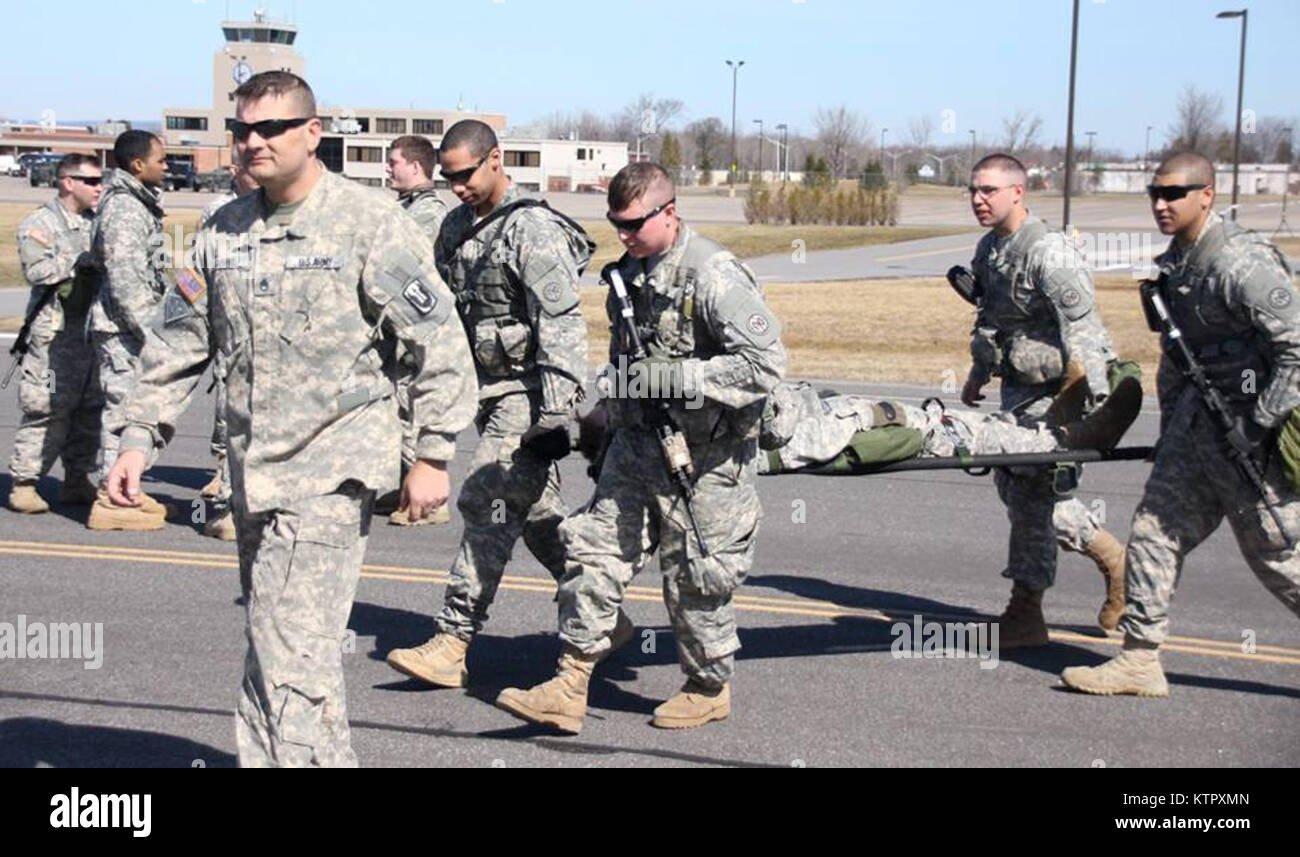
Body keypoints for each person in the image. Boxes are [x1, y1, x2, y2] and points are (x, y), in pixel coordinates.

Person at [102, 71, 478, 766]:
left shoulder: (367, 223)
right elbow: (179, 340)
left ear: (313, 133)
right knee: (278, 650)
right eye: (241, 129)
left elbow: (439, 339)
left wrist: (433, 452)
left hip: (330, 477)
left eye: (270, 129)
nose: (251, 142)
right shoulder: (223, 232)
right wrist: (136, 437)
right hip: (252, 477)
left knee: (291, 653)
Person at [494, 161, 787, 733]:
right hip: (636, 446)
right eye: (616, 225)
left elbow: (765, 365)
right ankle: (570, 682)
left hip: (706, 460)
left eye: (634, 224)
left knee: (697, 579)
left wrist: (679, 378)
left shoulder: (714, 275)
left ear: (670, 212)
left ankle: (707, 685)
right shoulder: (627, 277)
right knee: (591, 553)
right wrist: (602, 418)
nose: (624, 236)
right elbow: (627, 364)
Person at [1062, 152, 1300, 697]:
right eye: (1155, 193)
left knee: (1279, 559)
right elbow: (1177, 357)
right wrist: (1171, 432)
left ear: (1207, 195)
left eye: (1174, 193)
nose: (1161, 204)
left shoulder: (1241, 261)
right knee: (1152, 534)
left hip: (1249, 444)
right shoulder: (1176, 262)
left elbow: (1296, 350)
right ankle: (1140, 660)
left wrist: (1258, 422)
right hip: (1196, 437)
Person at [385, 119, 600, 687]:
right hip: (484, 392)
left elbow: (561, 325)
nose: (457, 186)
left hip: (526, 399)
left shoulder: (532, 230)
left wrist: (559, 413)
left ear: (496, 159)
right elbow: (436, 306)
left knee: (487, 500)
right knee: (536, 518)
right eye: (449, 176)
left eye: (466, 174)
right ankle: (602, 614)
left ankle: (453, 641)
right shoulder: (455, 225)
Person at [958, 152, 1123, 645]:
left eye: (988, 190)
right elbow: (992, 320)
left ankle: (1025, 611)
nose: (978, 199)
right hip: (1016, 392)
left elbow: (1086, 333)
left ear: (1017, 192)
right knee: (1020, 494)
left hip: (1056, 396)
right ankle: (1116, 561)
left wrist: (1084, 409)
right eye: (973, 190)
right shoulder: (989, 250)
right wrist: (977, 374)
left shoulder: (1050, 252)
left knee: (1031, 497)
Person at [5, 154, 105, 513]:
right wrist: (76, 264)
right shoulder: (41, 223)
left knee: (90, 408)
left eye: (100, 181)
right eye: (91, 181)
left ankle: (77, 479)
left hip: (90, 335)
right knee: (46, 408)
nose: (99, 188)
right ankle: (25, 482)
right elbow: (37, 270)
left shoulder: (98, 224)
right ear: (67, 182)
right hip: (52, 338)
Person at [86, 130, 171, 531]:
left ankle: (122, 488)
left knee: (133, 407)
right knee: (122, 411)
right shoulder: (124, 209)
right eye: (161, 159)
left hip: (133, 326)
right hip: (123, 329)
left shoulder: (140, 205)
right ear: (138, 165)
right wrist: (152, 332)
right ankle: (112, 497)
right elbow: (125, 281)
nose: (167, 165)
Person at [382, 133, 450, 526]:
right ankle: (404, 488)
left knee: (412, 408)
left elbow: (405, 264)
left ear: (417, 166)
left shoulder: (427, 214)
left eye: (394, 162)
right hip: (398, 324)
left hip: (416, 324)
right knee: (396, 406)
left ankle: (429, 503)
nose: (388, 168)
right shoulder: (405, 207)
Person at [197, 164, 260, 541]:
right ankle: (227, 499)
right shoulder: (221, 215)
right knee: (233, 415)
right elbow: (195, 277)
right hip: (232, 334)